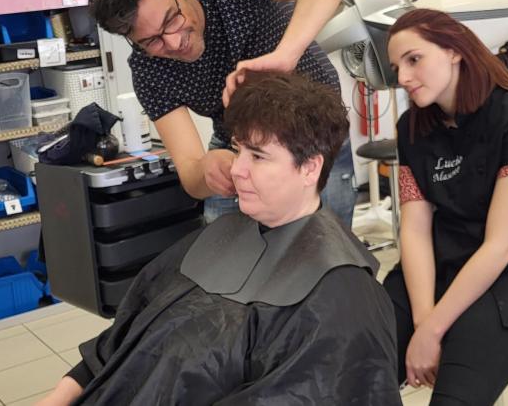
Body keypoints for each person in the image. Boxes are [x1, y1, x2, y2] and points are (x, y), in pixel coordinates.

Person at [37, 72, 401, 406]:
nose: (237, 169)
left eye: (258, 156)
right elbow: (121, 339)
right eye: (238, 149)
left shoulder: (342, 296)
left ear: (310, 167)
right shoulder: (218, 236)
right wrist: (58, 397)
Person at [87, 0, 357, 226]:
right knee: (228, 247)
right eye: (152, 41)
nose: (174, 42)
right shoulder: (149, 69)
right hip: (236, 145)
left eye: (171, 19)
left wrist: (285, 55)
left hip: (312, 137)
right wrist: (207, 170)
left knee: (322, 241)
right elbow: (191, 173)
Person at [382, 9, 508, 404]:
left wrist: (433, 331)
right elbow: (414, 230)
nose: (403, 77)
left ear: (454, 50)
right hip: (441, 262)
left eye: (414, 59)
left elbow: (500, 245)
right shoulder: (412, 128)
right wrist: (423, 321)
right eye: (397, 67)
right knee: (358, 367)